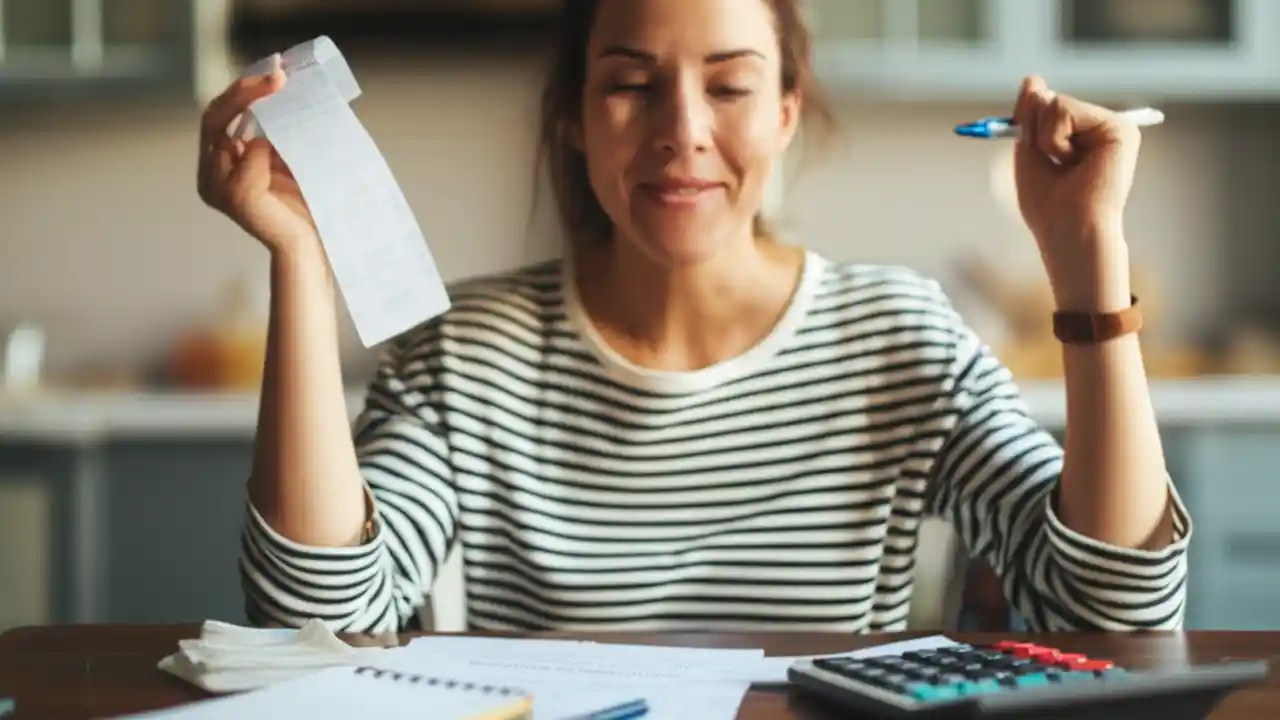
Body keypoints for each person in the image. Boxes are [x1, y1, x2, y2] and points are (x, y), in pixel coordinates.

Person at [196, 0, 1189, 634]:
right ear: (573, 121)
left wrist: (1083, 252)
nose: (682, 132)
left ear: (786, 112)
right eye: (630, 85)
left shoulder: (897, 338)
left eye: (728, 85)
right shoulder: (465, 353)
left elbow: (1113, 607)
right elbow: (310, 616)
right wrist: (299, 255)